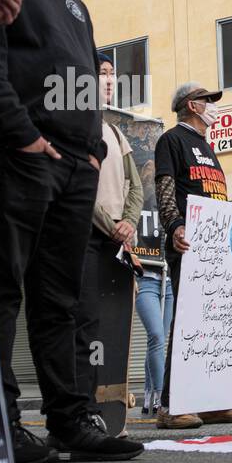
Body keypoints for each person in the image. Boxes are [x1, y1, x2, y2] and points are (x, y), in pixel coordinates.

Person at [0, 0, 142, 463]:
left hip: (74, 166)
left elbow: (87, 83)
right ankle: (0, 426)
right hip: (19, 154)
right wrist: (23, 136)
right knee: (2, 291)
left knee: (60, 300)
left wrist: (93, 151)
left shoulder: (74, 4)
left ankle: (71, 421)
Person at [152, 83, 232, 429]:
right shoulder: (173, 140)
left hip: (217, 248)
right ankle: (170, 405)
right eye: (209, 100)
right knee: (187, 325)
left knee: (216, 327)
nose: (215, 106)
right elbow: (165, 187)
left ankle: (215, 402)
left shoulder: (208, 148)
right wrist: (175, 226)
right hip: (190, 244)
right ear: (193, 106)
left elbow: (218, 201)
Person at [72, 55, 145, 429]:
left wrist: (128, 223)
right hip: (85, 234)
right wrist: (109, 224)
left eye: (113, 75)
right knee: (83, 322)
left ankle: (108, 408)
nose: (110, 80)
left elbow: (136, 186)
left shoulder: (115, 133)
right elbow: (79, 185)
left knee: (112, 326)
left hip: (115, 239)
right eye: (101, 74)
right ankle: (79, 410)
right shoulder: (73, 121)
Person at [135, 269, 174, 415]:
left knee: (158, 341)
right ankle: (162, 398)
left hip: (169, 282)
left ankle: (148, 397)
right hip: (144, 280)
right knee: (156, 336)